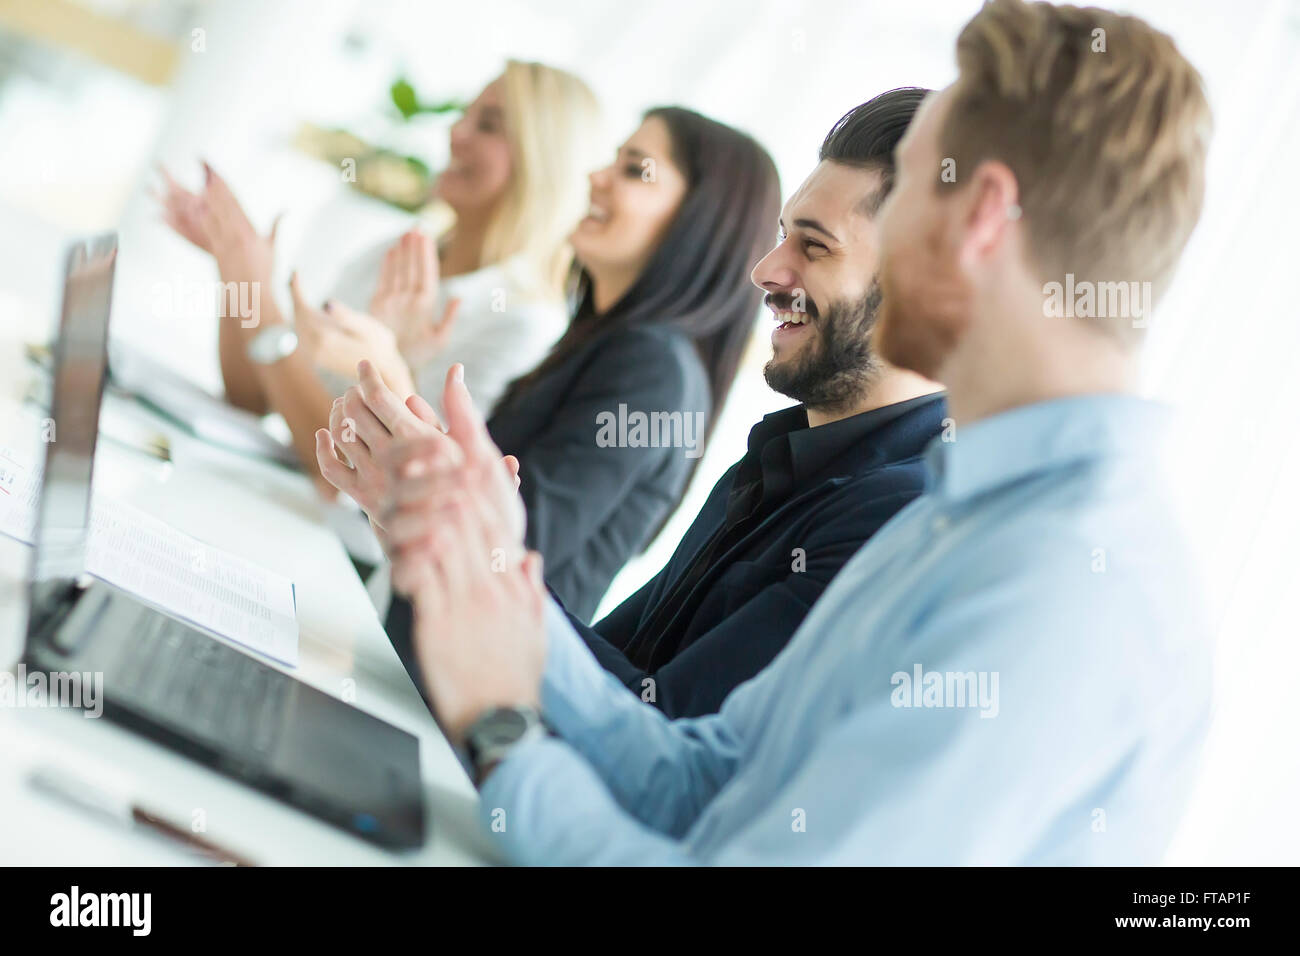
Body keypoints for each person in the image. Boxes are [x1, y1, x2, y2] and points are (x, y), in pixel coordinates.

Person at [375, 0, 1216, 866]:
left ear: (983, 216)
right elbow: (704, 780)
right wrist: (488, 570)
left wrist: (499, 728)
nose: (769, 272)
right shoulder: (962, 511)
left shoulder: (1061, 586)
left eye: (914, 190)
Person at [330, 89, 945, 718]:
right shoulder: (772, 462)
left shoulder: (896, 514)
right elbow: (624, 668)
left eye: (814, 247)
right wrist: (440, 528)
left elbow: (659, 732)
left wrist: (459, 536)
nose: (764, 269)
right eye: (783, 237)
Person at [328, 107, 782, 621]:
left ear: (702, 222)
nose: (596, 177)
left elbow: (505, 538)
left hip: (464, 677)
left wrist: (392, 373)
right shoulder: (606, 343)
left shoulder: (655, 369)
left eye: (636, 170)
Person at [155, 61, 603, 487]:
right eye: (464, 116)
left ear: (539, 162)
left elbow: (365, 473)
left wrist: (256, 288)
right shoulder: (398, 249)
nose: (455, 132)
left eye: (486, 125)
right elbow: (252, 396)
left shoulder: (521, 322)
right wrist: (236, 271)